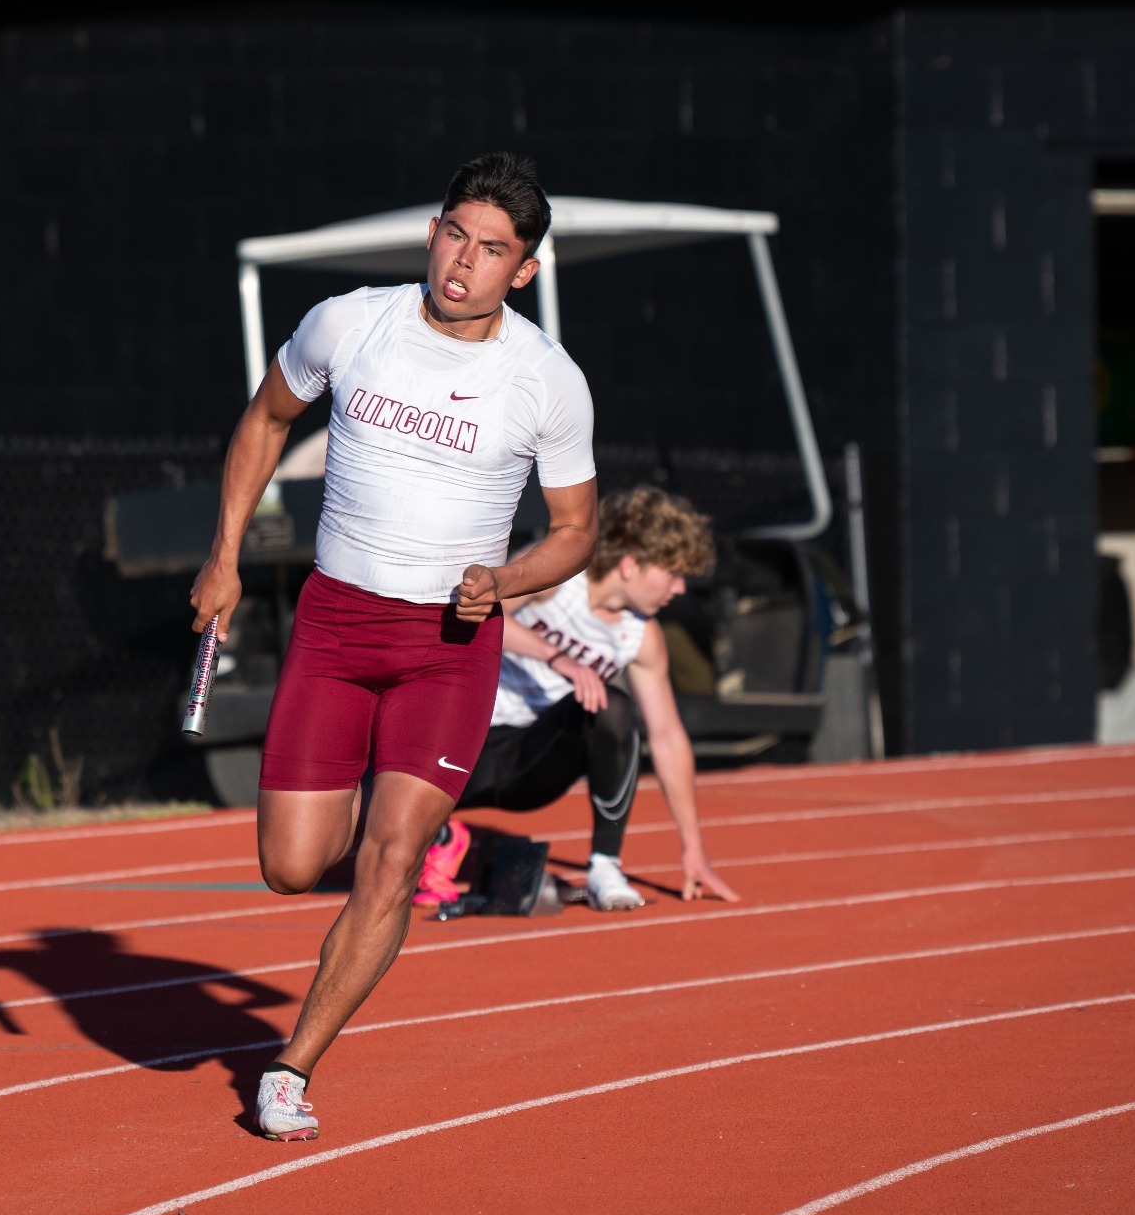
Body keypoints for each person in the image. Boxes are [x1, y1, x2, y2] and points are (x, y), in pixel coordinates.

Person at [190, 152, 598, 1142]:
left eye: (491, 249)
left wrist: (505, 580)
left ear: (523, 270)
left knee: (389, 860)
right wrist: (224, 556)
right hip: (335, 625)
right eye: (455, 235)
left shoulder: (546, 379)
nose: (464, 261)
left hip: (447, 644)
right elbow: (264, 420)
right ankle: (406, 822)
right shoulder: (349, 323)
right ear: (431, 231)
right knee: (292, 866)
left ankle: (289, 1067)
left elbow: (577, 530)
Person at [421, 487, 740, 912]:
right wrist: (557, 657)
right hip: (464, 741)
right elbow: (484, 614)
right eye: (673, 573)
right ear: (630, 564)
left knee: (613, 707)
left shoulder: (642, 637)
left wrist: (693, 846)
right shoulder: (558, 575)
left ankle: (606, 867)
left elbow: (667, 737)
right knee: (353, 822)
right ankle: (438, 836)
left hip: (532, 763)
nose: (680, 588)